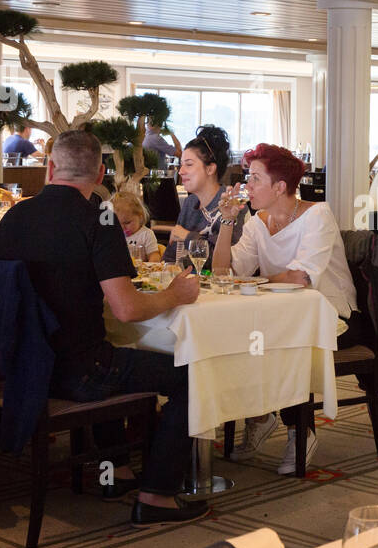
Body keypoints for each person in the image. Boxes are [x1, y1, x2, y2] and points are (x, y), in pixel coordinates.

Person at [0, 130, 206, 523]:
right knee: (193, 375)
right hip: (78, 374)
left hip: (23, 367)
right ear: (101, 173)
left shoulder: (13, 217)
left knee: (110, 350)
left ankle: (119, 472)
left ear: (51, 167)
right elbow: (126, 309)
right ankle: (157, 495)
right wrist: (174, 296)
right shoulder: (98, 220)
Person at [210, 143, 358, 475]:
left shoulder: (317, 215)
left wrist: (255, 281)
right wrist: (227, 222)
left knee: (278, 343)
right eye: (248, 178)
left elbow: (300, 278)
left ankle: (299, 430)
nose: (247, 186)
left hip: (332, 317)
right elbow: (224, 274)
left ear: (279, 187)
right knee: (243, 338)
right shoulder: (255, 222)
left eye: (255, 179)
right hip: (277, 315)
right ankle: (261, 417)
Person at [169, 125, 243, 257]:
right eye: (181, 164)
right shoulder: (190, 203)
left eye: (189, 164)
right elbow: (171, 256)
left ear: (210, 169)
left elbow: (223, 263)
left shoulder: (232, 204)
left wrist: (186, 236)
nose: (181, 171)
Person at [112, 190, 161, 261]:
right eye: (117, 223)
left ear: (140, 217)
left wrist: (152, 264)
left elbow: (154, 255)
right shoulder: (113, 234)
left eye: (127, 222)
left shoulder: (146, 234)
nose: (122, 227)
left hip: (141, 271)